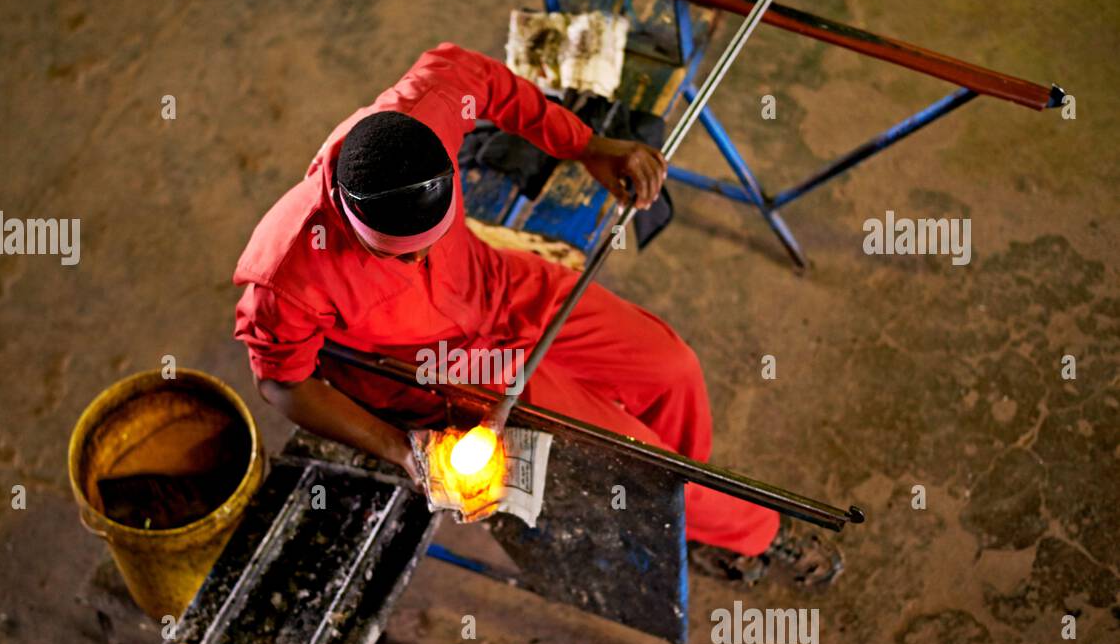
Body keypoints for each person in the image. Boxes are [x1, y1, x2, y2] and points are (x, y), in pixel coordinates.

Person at [233, 42, 840, 584]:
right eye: (401, 253)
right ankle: (743, 530)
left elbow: (482, 77)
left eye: (429, 239)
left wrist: (587, 146)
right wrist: (400, 449)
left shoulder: (423, 111)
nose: (419, 255)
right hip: (443, 370)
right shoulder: (284, 274)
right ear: (348, 217)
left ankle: (689, 513)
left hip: (498, 287)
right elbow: (284, 383)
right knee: (637, 454)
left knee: (672, 367)